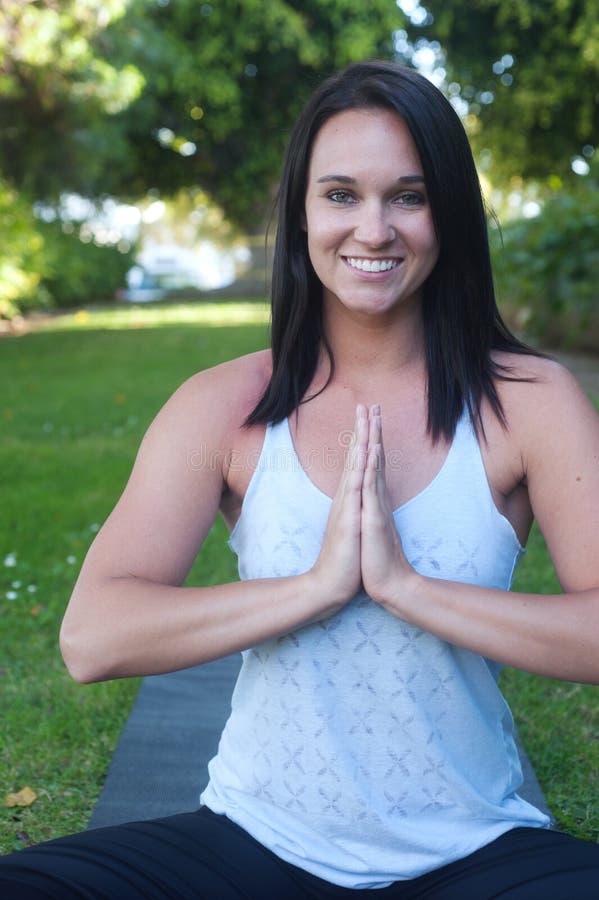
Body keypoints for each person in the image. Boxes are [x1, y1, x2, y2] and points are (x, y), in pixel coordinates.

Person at [1, 60, 598, 899]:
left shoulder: (528, 402)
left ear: (449, 213)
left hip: (473, 851)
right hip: (253, 842)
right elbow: (93, 636)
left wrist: (405, 588)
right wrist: (315, 587)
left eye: (409, 196)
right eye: (341, 194)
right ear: (301, 212)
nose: (374, 229)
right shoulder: (225, 404)